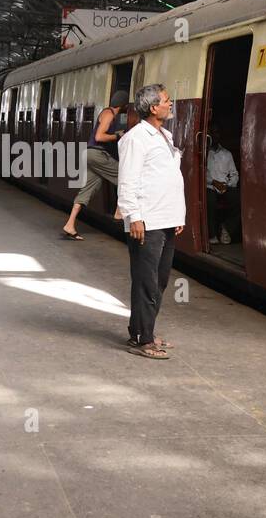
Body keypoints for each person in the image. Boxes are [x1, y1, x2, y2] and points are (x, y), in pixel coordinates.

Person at [118, 84, 185, 360]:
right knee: (146, 281)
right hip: (147, 221)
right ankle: (144, 340)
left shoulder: (164, 136)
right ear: (153, 107)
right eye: (167, 101)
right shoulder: (136, 139)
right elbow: (128, 181)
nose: (171, 104)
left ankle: (140, 330)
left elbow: (168, 179)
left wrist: (178, 215)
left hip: (166, 218)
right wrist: (134, 217)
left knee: (160, 280)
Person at [61, 90, 128, 240]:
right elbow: (99, 136)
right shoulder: (109, 114)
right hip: (97, 154)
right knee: (126, 175)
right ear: (123, 105)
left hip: (91, 155)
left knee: (87, 190)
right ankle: (119, 211)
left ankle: (70, 224)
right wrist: (118, 135)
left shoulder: (110, 114)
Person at [205, 124, 240, 245]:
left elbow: (234, 173)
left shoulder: (227, 154)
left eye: (217, 133)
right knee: (209, 202)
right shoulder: (205, 153)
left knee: (238, 200)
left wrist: (228, 185)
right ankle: (212, 235)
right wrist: (213, 182)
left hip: (225, 187)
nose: (215, 136)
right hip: (210, 186)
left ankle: (226, 228)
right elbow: (201, 174)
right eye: (212, 133)